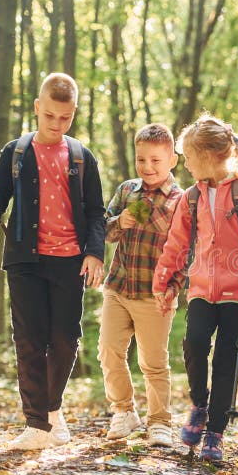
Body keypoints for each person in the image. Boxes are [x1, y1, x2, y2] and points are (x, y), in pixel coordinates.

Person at [0, 73, 106, 450]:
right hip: (24, 259)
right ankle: (36, 424)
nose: (56, 124)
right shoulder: (15, 152)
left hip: (69, 260)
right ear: (37, 107)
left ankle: (52, 411)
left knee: (65, 341)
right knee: (29, 341)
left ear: (73, 114)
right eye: (49, 116)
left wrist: (95, 252)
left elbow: (96, 212)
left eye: (64, 118)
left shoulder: (82, 157)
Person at [153, 115, 238, 462]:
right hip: (201, 289)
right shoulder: (191, 198)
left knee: (228, 360)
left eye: (189, 157)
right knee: (194, 342)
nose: (186, 163)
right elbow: (176, 244)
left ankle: (216, 432)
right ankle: (199, 404)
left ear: (208, 156)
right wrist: (164, 282)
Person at [97, 123, 183, 447]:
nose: (147, 167)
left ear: (172, 160)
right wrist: (119, 222)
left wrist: (173, 287)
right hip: (118, 286)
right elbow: (103, 231)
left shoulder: (179, 200)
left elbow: (185, 251)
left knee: (153, 362)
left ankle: (159, 421)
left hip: (155, 293)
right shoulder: (127, 191)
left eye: (156, 161)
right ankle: (124, 410)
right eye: (141, 160)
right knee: (108, 350)